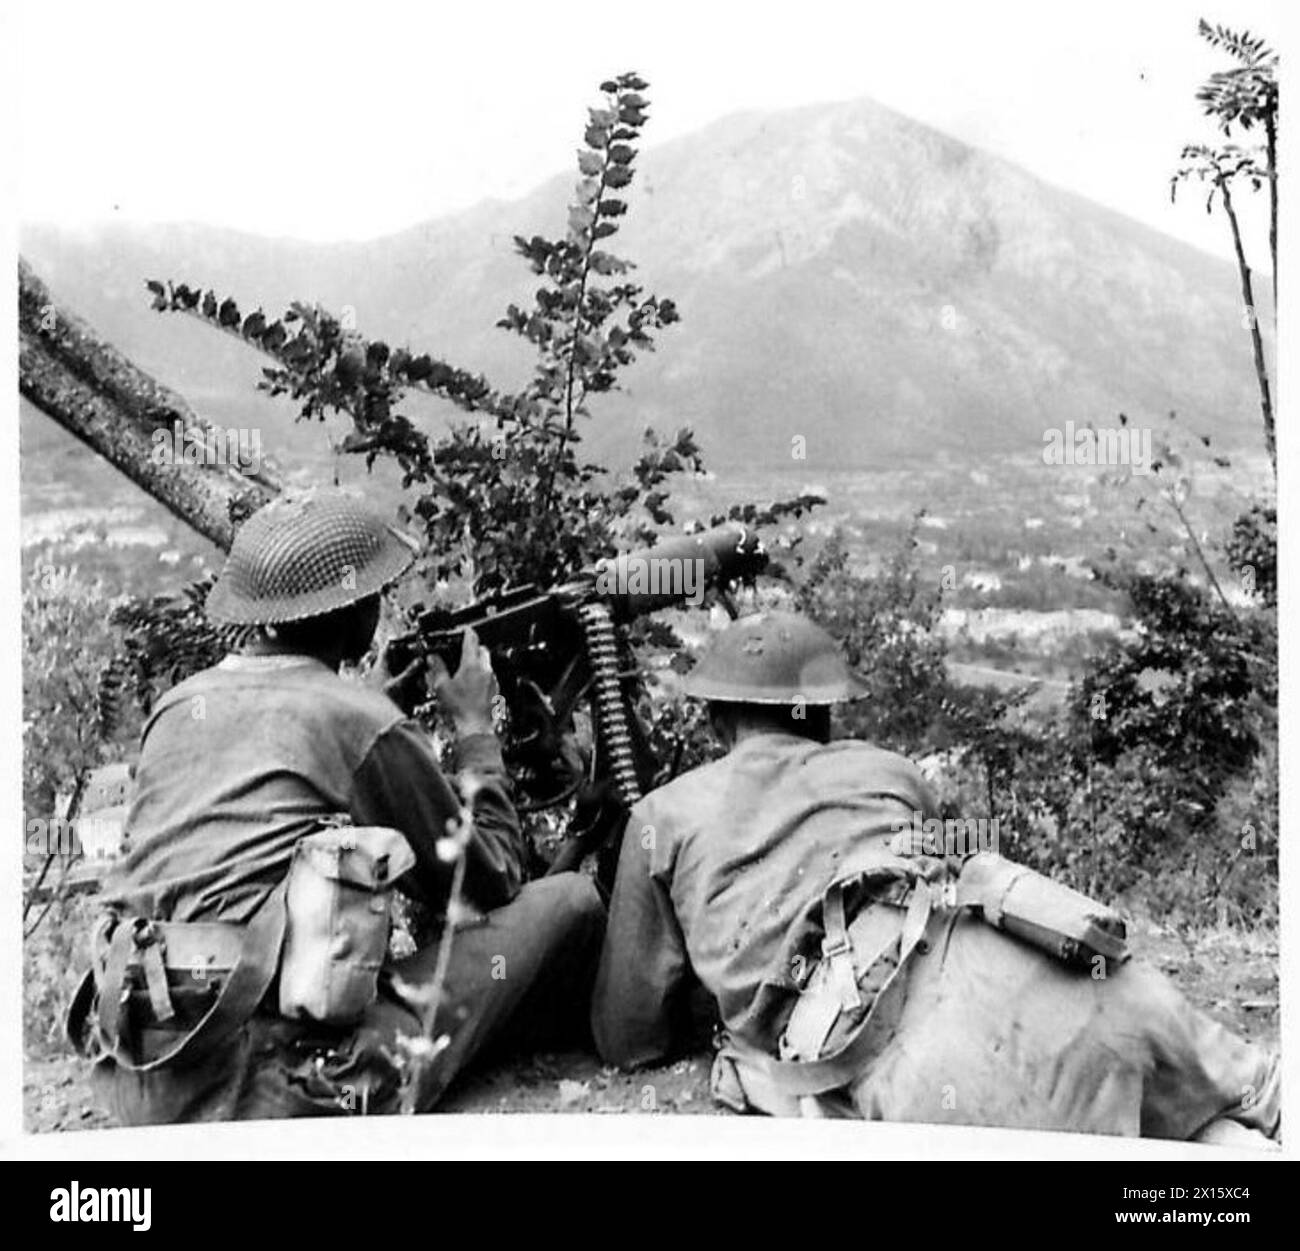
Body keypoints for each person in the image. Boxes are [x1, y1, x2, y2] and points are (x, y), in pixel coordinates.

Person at [591, 610, 1280, 1142]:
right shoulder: (889, 771)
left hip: (915, 1054)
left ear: (715, 719)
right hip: (1069, 969)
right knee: (1247, 1109)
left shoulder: (665, 816)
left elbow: (629, 1037)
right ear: (827, 715)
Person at [70, 489, 604, 1122]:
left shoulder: (181, 704)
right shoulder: (357, 718)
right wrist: (473, 731)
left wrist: (368, 714)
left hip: (139, 1070)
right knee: (568, 900)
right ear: (356, 611)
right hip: (279, 1089)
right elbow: (484, 881)